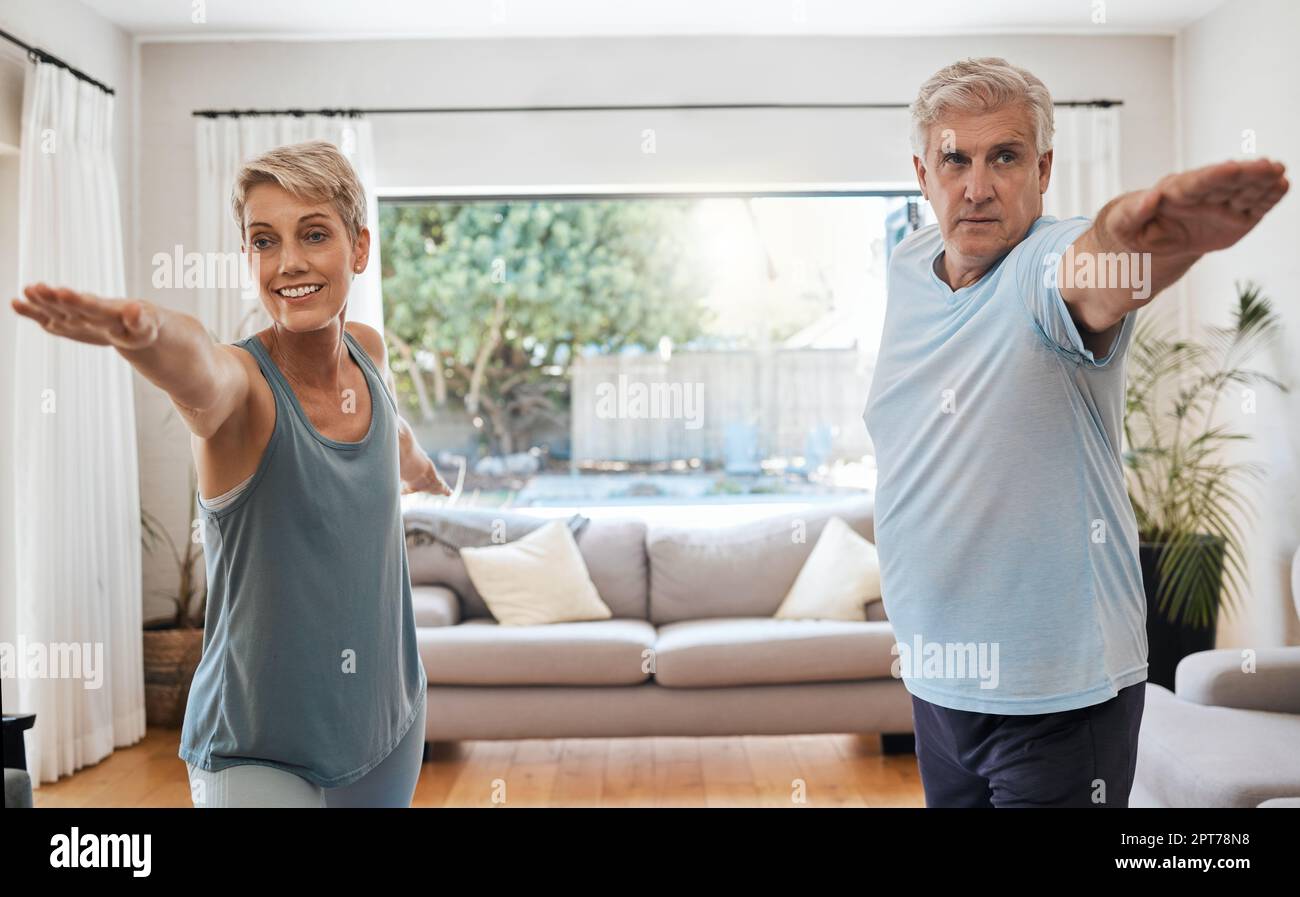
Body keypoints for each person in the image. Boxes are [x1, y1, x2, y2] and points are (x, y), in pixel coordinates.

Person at [863, 57, 1288, 807]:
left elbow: (1099, 272)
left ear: (1044, 168)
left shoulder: (1041, 266)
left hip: (1056, 700)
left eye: (1006, 156)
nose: (978, 185)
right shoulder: (908, 266)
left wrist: (1151, 239)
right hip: (937, 681)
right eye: (955, 159)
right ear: (923, 174)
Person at [11, 139, 453, 807]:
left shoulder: (368, 350)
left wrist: (427, 474)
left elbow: (395, 439)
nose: (290, 263)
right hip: (257, 751)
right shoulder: (242, 392)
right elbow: (198, 368)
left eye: (313, 234)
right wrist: (145, 332)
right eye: (264, 241)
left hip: (388, 725)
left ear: (359, 248)